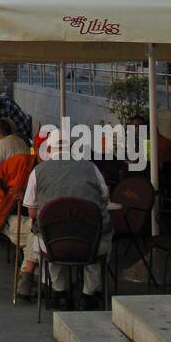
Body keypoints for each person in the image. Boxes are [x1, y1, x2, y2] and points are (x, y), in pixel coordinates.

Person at [24, 132, 110, 310]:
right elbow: (104, 198)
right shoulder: (90, 168)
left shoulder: (37, 172)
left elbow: (32, 213)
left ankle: (60, 293)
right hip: (89, 242)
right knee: (102, 237)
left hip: (53, 244)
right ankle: (89, 295)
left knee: (41, 237)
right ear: (72, 148)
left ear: (48, 149)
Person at [0, 129, 38, 298]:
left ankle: (27, 275)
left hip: (37, 218)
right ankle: (37, 279)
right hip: (11, 215)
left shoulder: (56, 172)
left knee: (41, 234)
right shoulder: (21, 162)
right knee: (40, 232)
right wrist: (0, 198)